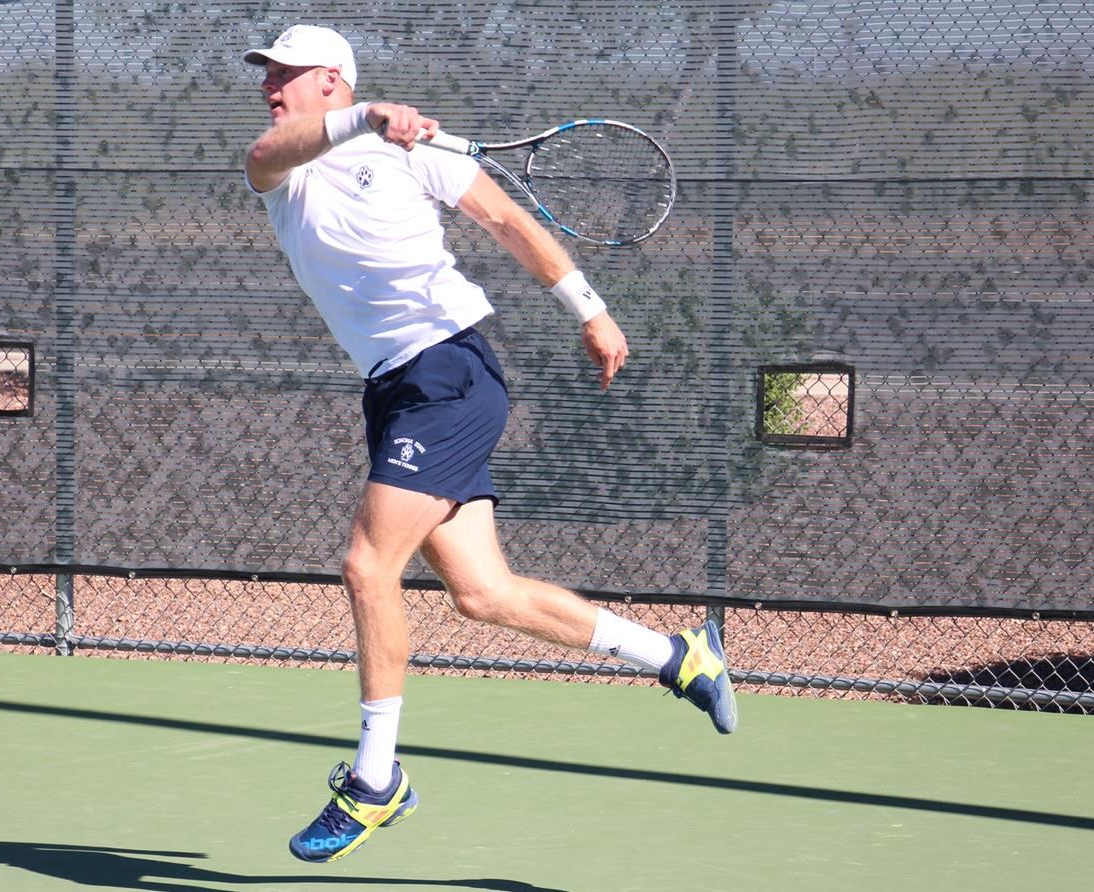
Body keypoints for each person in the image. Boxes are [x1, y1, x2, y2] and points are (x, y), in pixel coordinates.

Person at [241, 25, 737, 864]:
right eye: (267, 74)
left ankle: (374, 782)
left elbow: (507, 221)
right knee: (483, 592)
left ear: (329, 76)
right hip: (393, 387)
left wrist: (591, 309)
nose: (269, 85)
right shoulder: (283, 169)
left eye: (284, 73)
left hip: (448, 371)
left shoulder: (415, 155)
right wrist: (364, 118)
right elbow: (269, 150)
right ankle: (678, 655)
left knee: (368, 568)